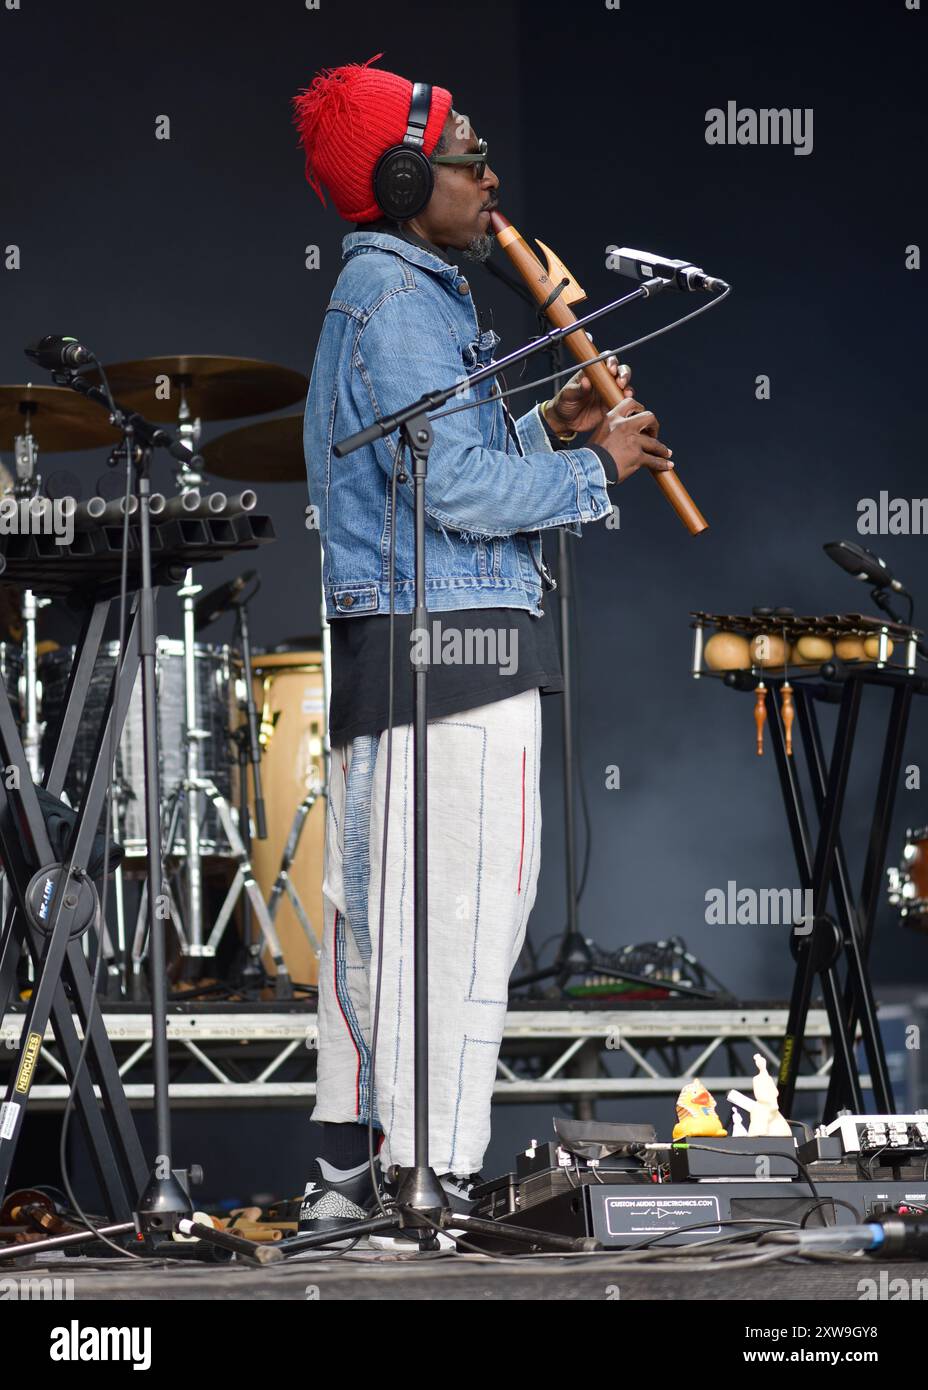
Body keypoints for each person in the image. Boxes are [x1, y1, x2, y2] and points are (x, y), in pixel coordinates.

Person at [293, 55, 673, 1239]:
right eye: (468, 162)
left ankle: (366, 1173)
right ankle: (438, 1181)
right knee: (460, 919)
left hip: (395, 644)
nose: (490, 178)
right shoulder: (405, 299)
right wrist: (589, 468)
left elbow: (427, 457)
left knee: (382, 923)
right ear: (405, 177)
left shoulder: (389, 295)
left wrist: (537, 422)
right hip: (451, 653)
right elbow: (448, 489)